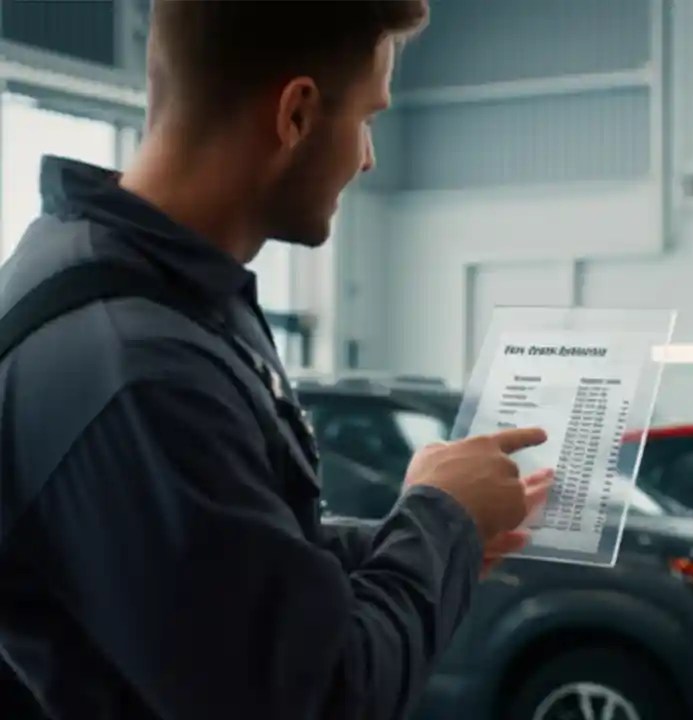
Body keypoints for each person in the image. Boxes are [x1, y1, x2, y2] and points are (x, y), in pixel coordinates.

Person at [0, 2, 553, 718]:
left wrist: (430, 539)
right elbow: (321, 695)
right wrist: (440, 519)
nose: (367, 156)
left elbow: (209, 576)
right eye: (367, 117)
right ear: (295, 114)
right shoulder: (139, 368)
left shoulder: (138, 286)